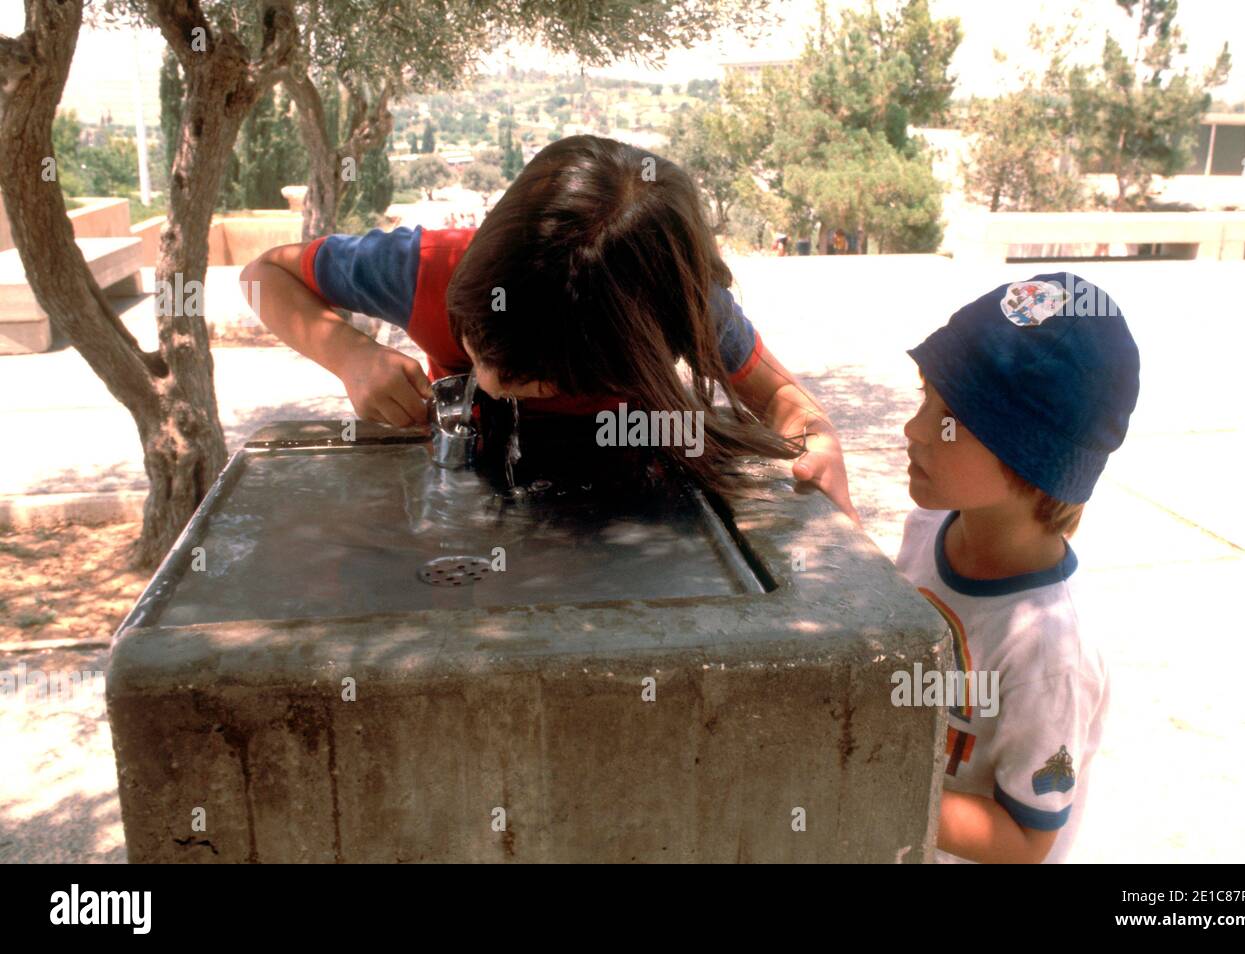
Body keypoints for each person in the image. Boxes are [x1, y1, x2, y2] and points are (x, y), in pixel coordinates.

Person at [241, 135, 858, 519]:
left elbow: (785, 401)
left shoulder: (680, 306)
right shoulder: (426, 268)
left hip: (629, 521)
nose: (489, 378)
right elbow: (262, 275)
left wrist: (819, 443)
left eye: (539, 378)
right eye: (478, 340)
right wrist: (352, 356)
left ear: (636, 346)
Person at [895, 273, 1140, 863]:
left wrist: (875, 775)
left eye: (948, 418)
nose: (915, 429)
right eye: (924, 396)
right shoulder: (929, 529)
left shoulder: (1053, 652)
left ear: (1029, 461)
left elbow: (1026, 841)